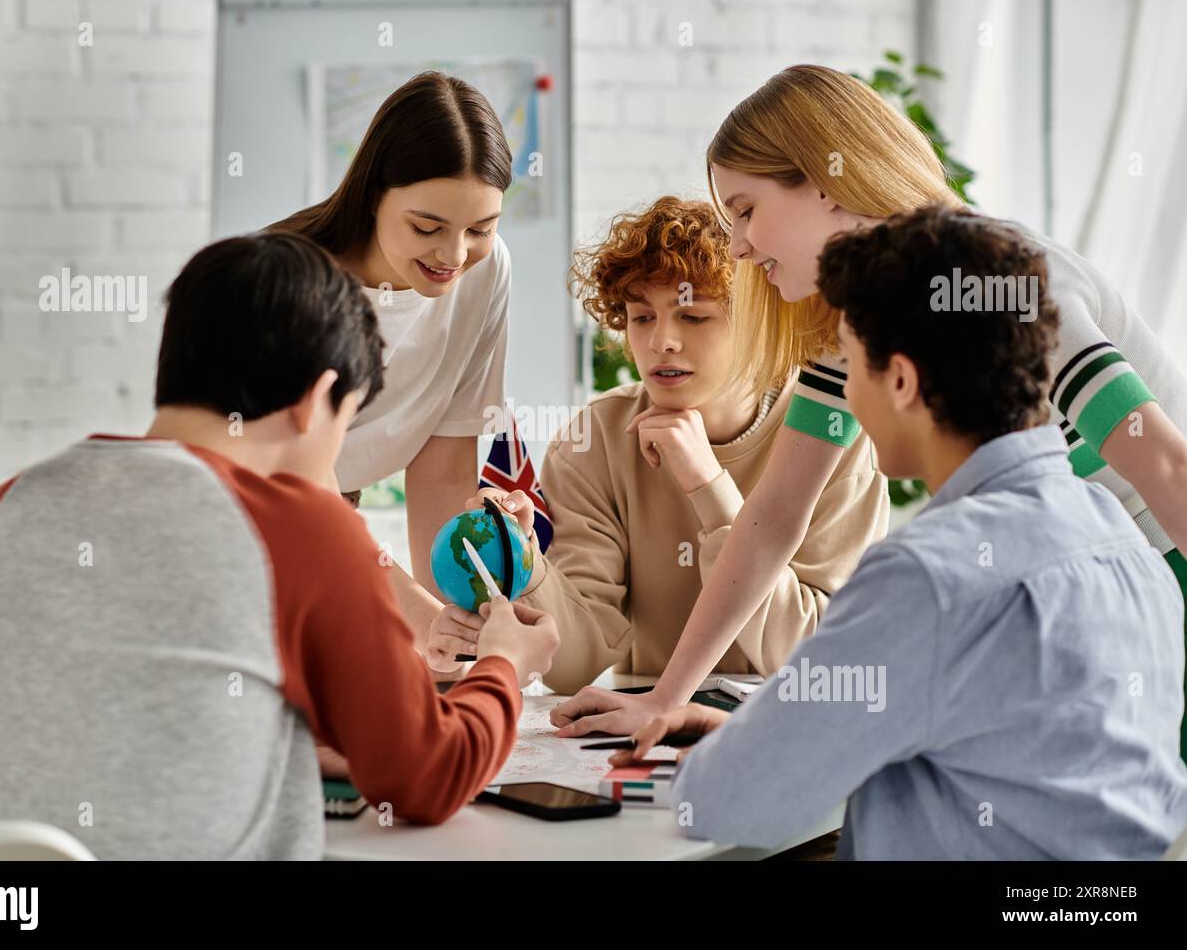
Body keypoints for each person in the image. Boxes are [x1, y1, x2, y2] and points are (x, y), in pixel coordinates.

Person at [552, 64, 1187, 746]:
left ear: (823, 185)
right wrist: (665, 700)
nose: (737, 245)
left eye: (745, 211)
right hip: (1076, 601)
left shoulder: (1004, 282)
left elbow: (1166, 468)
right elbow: (771, 521)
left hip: (1158, 573)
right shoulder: (857, 317)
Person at [0, 232, 557, 859]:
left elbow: (121, 705)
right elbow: (428, 778)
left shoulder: (9, 505)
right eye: (345, 423)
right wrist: (505, 663)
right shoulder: (299, 527)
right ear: (316, 400)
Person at [617, 206, 1187, 859]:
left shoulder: (927, 576)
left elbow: (722, 802)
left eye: (852, 366)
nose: (845, 400)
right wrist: (779, 730)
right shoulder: (1125, 542)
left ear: (901, 382)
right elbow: (1019, 764)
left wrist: (745, 752)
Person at [425, 197, 887, 699]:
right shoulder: (596, 440)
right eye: (642, 317)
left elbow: (819, 657)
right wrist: (527, 563)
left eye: (693, 317)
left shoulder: (834, 434)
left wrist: (710, 489)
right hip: (644, 726)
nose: (662, 341)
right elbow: (574, 665)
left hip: (787, 722)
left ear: (757, 318)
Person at [270, 71, 515, 637]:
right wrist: (424, 625)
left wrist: (459, 629)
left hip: (337, 530)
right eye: (427, 226)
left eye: (481, 228)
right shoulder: (289, 278)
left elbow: (443, 473)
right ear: (373, 194)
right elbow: (305, 497)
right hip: (262, 523)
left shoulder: (488, 271)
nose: (453, 255)